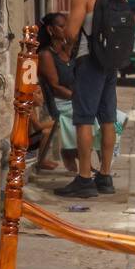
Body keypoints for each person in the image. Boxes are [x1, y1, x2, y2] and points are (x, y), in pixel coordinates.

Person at [55, 0, 119, 199]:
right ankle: (105, 175)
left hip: (89, 61)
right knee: (108, 119)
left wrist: (66, 47)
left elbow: (71, 33)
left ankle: (84, 177)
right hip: (110, 62)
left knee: (84, 119)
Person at [36, 11, 100, 174]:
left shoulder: (68, 51)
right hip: (60, 102)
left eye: (67, 26)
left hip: (74, 99)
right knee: (90, 115)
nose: (66, 29)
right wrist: (79, 98)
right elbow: (55, 86)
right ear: (50, 30)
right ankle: (80, 157)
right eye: (61, 26)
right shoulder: (46, 55)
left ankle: (91, 158)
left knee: (111, 115)